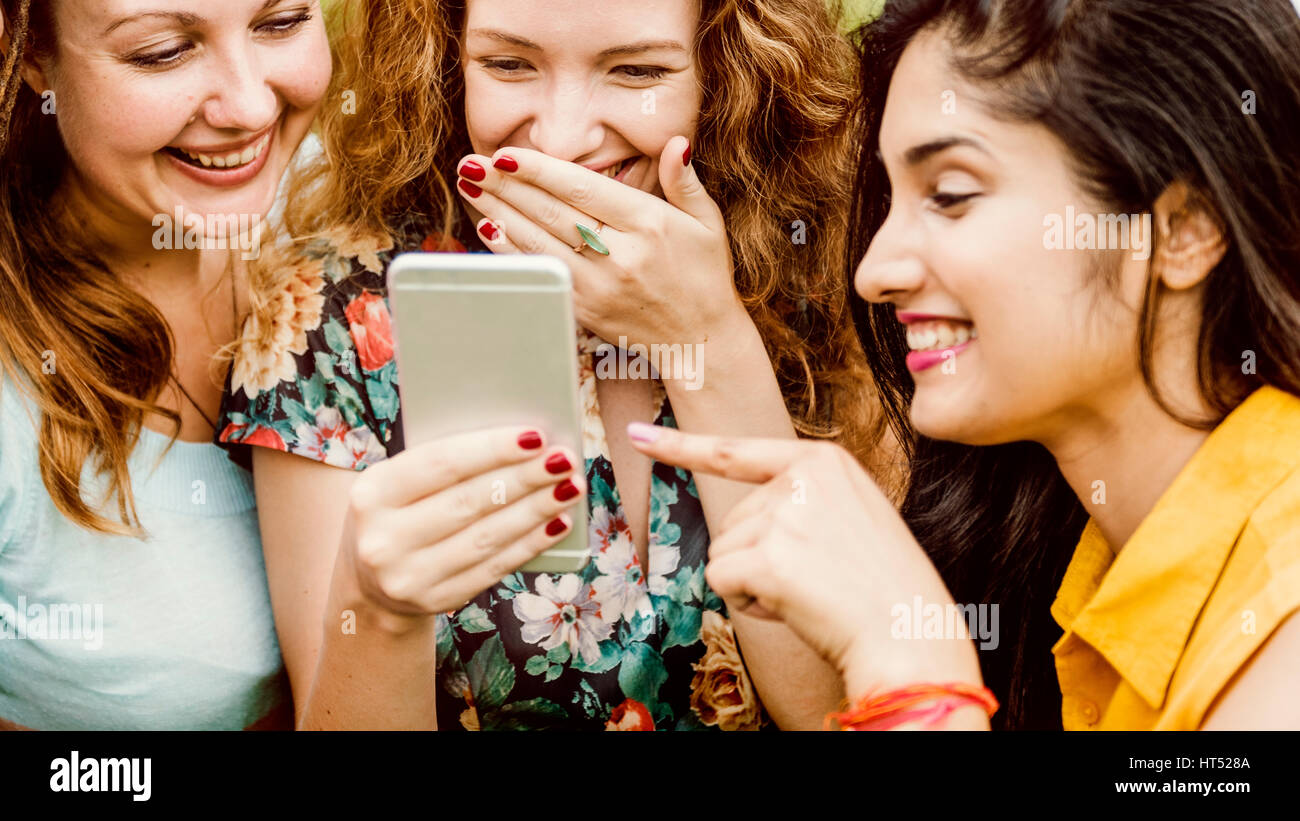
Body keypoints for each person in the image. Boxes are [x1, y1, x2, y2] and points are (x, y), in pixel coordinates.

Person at [217, 0, 892, 729]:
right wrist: (378, 608)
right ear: (448, 60)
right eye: (508, 64)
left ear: (723, 72)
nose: (562, 139)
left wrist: (709, 336)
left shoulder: (834, 269)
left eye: (637, 70)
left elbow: (833, 710)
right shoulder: (331, 315)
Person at [628, 0, 1300, 730]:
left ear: (1181, 231)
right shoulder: (1067, 565)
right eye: (890, 200)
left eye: (950, 195)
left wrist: (913, 677)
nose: (874, 272)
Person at [0, 0, 331, 729]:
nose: (250, 105)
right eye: (161, 52)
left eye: (282, 22)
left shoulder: (331, 198)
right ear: (30, 54)